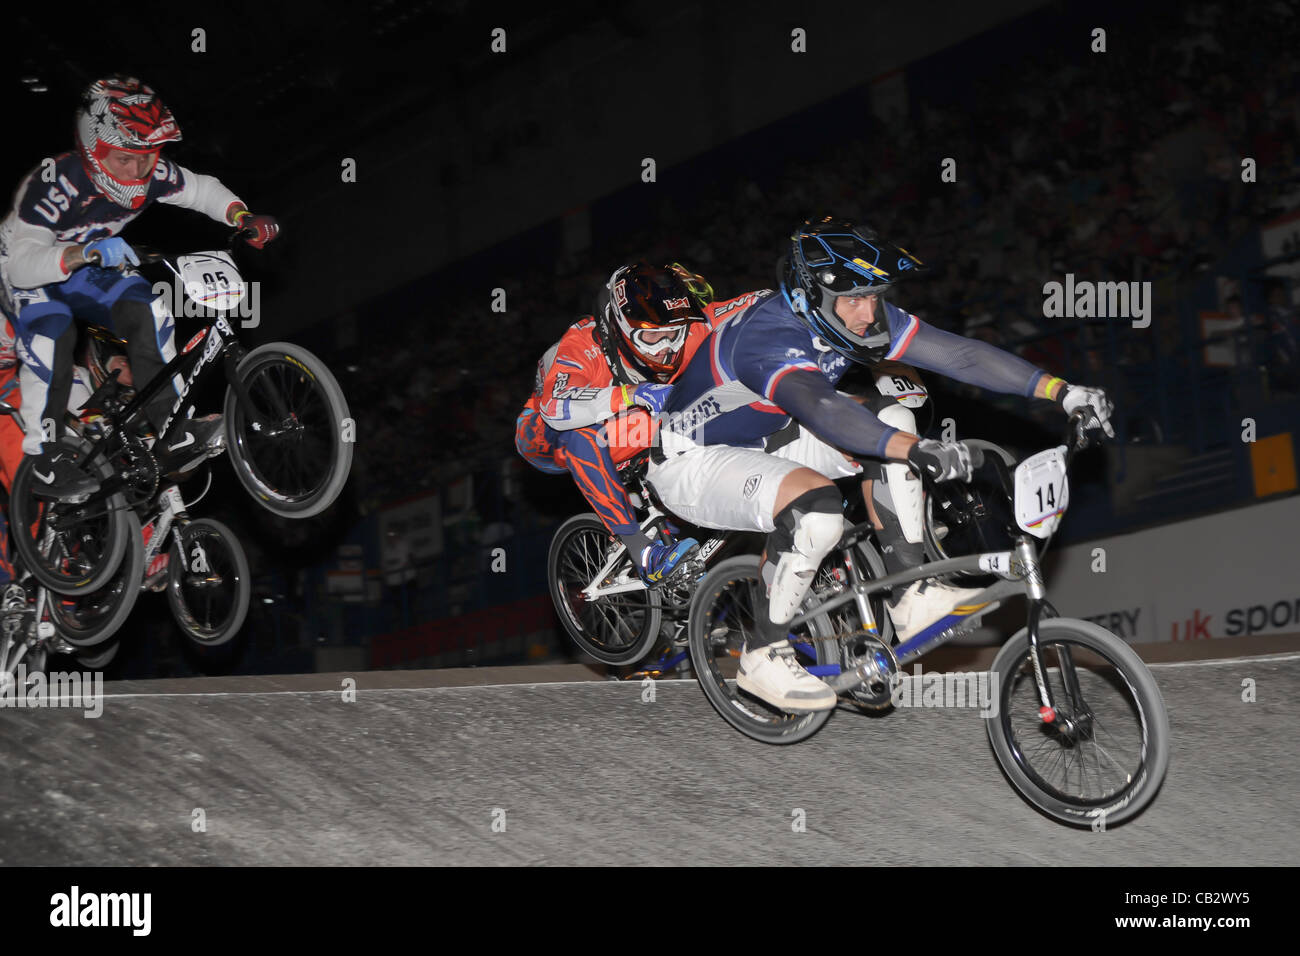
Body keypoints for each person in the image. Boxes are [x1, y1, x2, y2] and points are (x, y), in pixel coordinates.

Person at [648, 216, 1114, 712]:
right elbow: (824, 412)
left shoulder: (848, 311)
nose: (868, 312)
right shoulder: (767, 337)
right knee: (818, 507)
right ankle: (762, 655)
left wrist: (1061, 392)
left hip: (767, 436)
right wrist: (915, 452)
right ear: (809, 295)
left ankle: (913, 593)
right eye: (854, 299)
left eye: (874, 295)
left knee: (894, 416)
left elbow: (959, 357)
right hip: (691, 459)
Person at [0, 75, 280, 499]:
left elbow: (201, 189)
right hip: (27, 271)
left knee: (152, 309)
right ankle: (45, 455)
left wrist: (241, 217)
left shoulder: (150, 172)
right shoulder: (54, 183)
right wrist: (84, 254)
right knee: (53, 330)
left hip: (86, 263)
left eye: (146, 159)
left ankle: (173, 428)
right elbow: (22, 267)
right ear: (92, 150)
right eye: (123, 160)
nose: (136, 172)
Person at [516, 261, 747, 584]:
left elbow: (756, 304)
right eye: (653, 338)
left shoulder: (695, 325)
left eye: (673, 334)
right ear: (622, 328)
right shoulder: (581, 345)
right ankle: (641, 551)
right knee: (583, 433)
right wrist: (631, 393)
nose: (667, 349)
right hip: (545, 436)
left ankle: (682, 574)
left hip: (632, 426)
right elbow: (554, 408)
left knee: (710, 403)